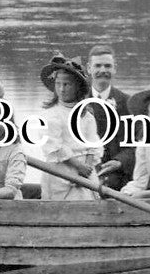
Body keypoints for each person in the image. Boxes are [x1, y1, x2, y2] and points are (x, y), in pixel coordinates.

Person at [37, 53, 102, 201]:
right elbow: (54, 145)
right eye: (58, 84)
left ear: (77, 87)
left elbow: (93, 144)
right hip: (61, 169)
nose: (62, 89)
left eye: (67, 84)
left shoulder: (86, 116)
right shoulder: (51, 114)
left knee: (89, 199)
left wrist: (87, 168)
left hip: (85, 169)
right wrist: (78, 166)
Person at [87, 45, 135, 190]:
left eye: (108, 66)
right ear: (89, 68)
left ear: (115, 69)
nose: (103, 70)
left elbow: (141, 143)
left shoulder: (129, 103)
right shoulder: (77, 103)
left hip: (119, 175)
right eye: (98, 66)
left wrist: (120, 162)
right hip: (84, 172)